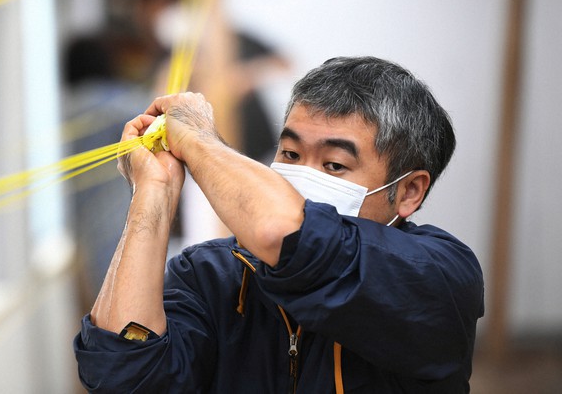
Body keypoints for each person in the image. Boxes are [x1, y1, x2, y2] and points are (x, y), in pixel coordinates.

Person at [73, 56, 484, 392]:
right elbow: (120, 374)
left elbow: (289, 236)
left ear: (409, 191)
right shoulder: (213, 273)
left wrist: (199, 140)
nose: (300, 176)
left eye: (334, 164)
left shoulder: (438, 274)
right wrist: (154, 191)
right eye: (289, 154)